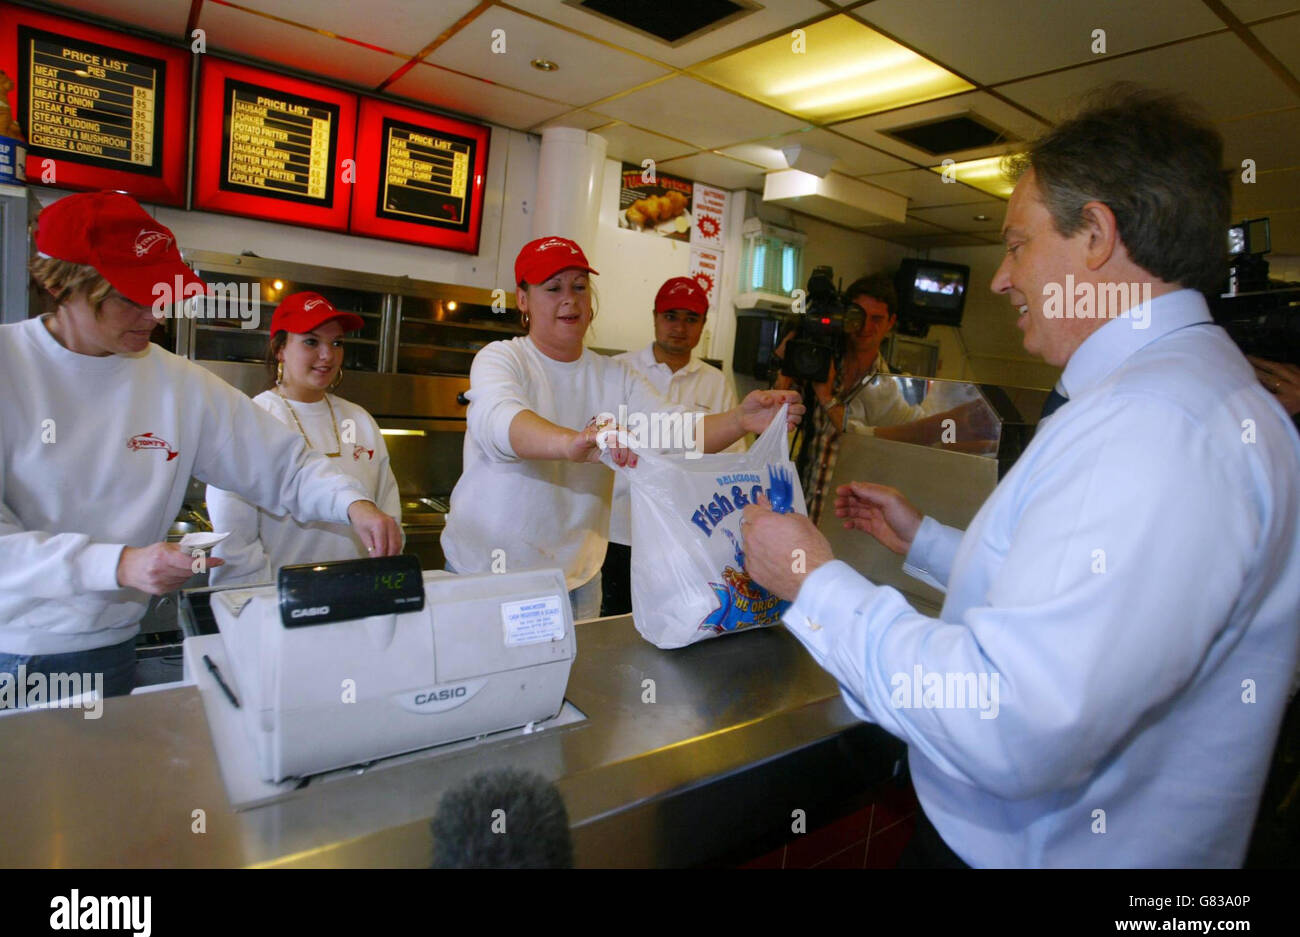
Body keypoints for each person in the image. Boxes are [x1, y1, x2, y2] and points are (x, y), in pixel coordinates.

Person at [739, 85, 1300, 867]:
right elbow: (1085, 595)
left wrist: (814, 580)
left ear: (1096, 234)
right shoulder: (1204, 396)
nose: (1003, 279)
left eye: (1017, 244)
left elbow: (1011, 718)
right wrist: (928, 541)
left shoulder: (1153, 427)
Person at [0, 191, 401, 701]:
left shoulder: (179, 384)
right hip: (13, 648)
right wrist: (118, 564)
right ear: (62, 286)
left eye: (160, 296)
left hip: (112, 646)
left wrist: (353, 504)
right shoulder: (9, 367)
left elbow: (286, 466)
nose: (155, 316)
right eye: (131, 298)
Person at [439, 236, 801, 622]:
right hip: (486, 574)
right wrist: (571, 443)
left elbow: (674, 431)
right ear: (523, 299)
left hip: (575, 582)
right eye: (553, 288)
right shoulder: (503, 358)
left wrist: (739, 420)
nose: (571, 299)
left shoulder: (615, 377)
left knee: (572, 683)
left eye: (580, 286)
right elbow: (499, 421)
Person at [206, 292, 402, 586]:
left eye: (337, 343)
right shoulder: (252, 419)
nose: (328, 355)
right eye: (311, 341)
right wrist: (259, 606)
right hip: (283, 600)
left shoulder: (358, 419)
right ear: (280, 349)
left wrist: (383, 577)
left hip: (358, 592)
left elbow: (387, 508)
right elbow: (234, 539)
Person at [773, 274, 992, 521]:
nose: (866, 327)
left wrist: (827, 398)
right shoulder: (819, 367)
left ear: (891, 323)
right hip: (803, 508)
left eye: (877, 319)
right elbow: (773, 424)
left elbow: (919, 439)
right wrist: (787, 360)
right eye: (859, 316)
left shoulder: (893, 387)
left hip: (850, 521)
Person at [601, 276, 742, 616]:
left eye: (691, 319)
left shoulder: (715, 383)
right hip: (621, 529)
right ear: (654, 317)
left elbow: (732, 462)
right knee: (613, 622)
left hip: (685, 535)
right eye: (671, 316)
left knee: (672, 621)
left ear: (703, 325)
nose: (680, 327)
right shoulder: (618, 370)